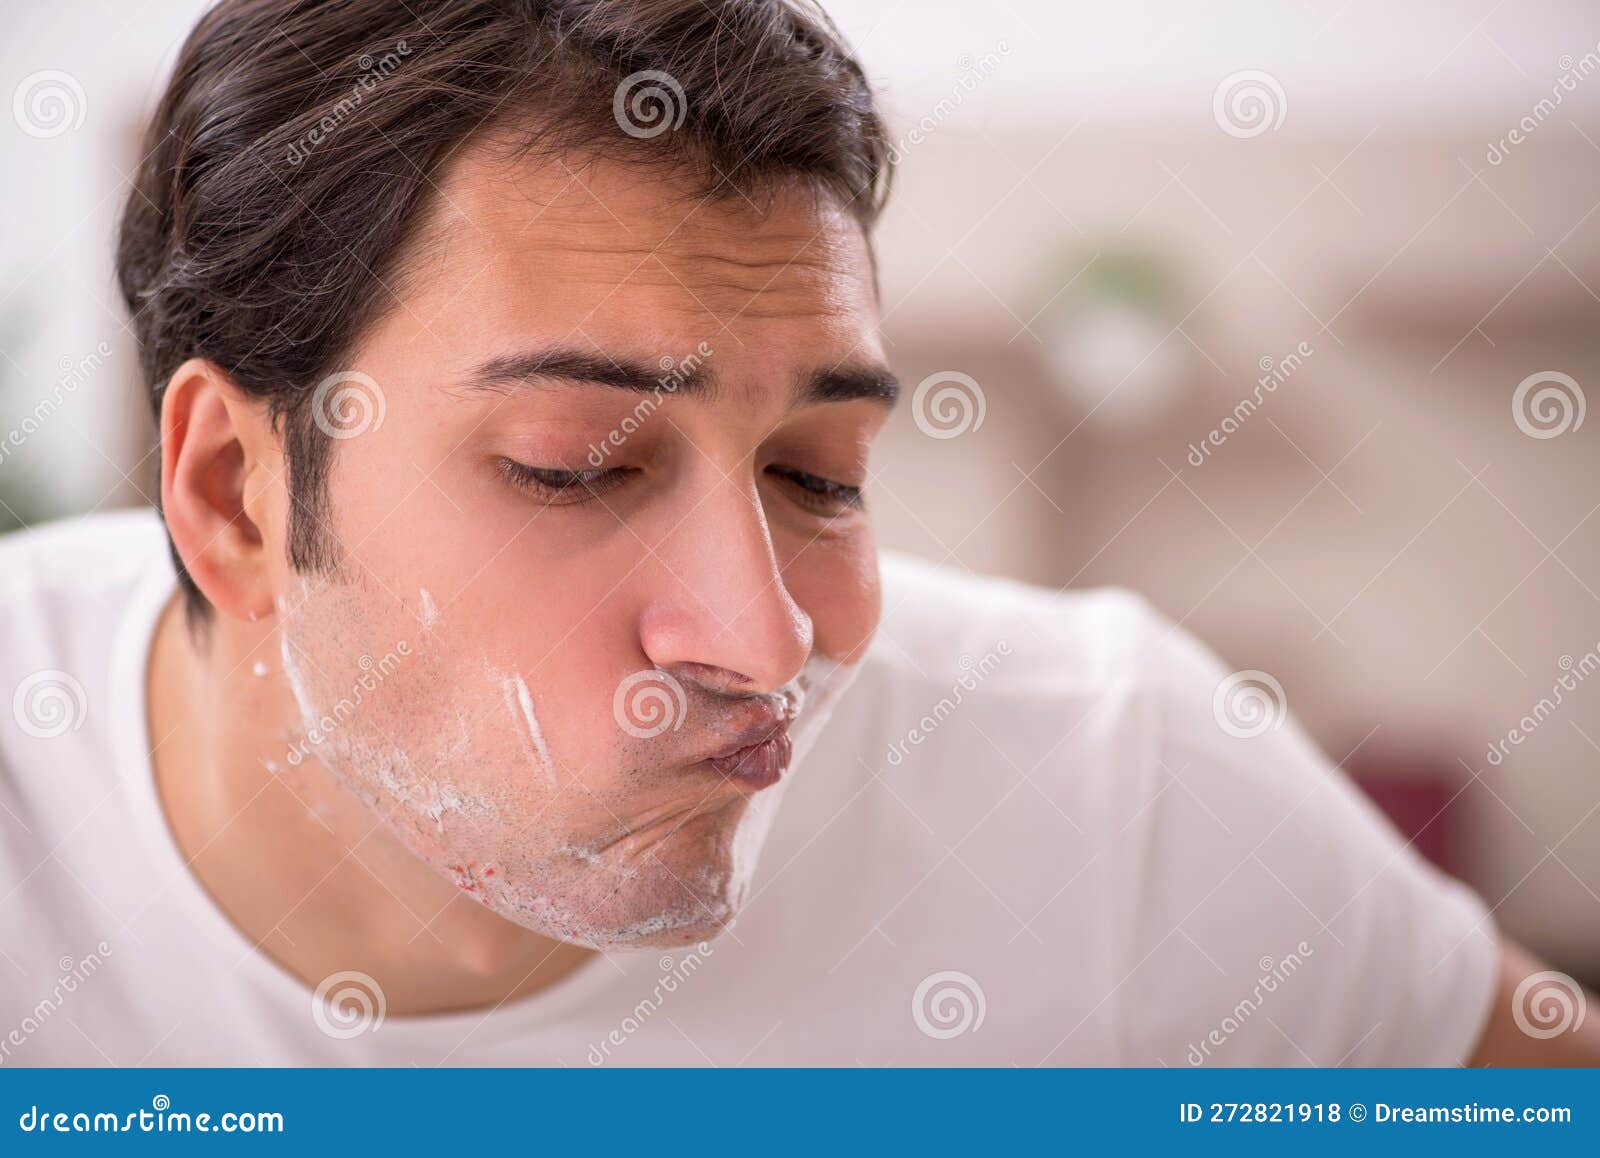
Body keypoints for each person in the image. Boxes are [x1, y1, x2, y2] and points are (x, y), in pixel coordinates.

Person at [0, 0, 1594, 1066]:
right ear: (231, 493)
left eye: (820, 471)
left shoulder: (1110, 779)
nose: (771, 641)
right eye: (579, 465)